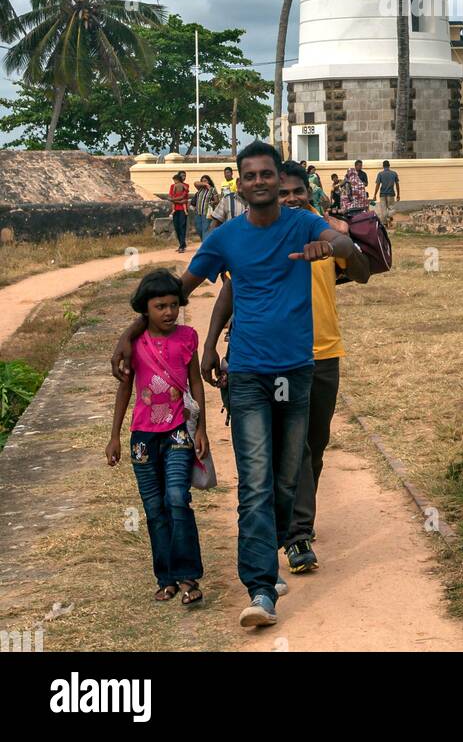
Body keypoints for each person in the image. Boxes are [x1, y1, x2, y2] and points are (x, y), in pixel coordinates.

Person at [111, 141, 356, 631]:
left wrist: (330, 245)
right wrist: (133, 329)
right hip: (246, 375)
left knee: (287, 477)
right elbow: (178, 293)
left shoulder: (303, 222)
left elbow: (346, 245)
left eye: (268, 174)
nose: (261, 182)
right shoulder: (225, 239)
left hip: (296, 373)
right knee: (257, 480)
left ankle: (277, 542)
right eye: (252, 176)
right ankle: (261, 589)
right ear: (240, 184)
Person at [203, 165, 370, 575]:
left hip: (323, 355)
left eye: (299, 191)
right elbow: (231, 290)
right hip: (272, 360)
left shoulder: (323, 235)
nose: (292, 198)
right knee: (287, 450)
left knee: (313, 446)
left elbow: (364, 273)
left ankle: (291, 516)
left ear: (309, 195)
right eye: (286, 192)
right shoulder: (265, 238)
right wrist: (209, 341)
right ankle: (297, 536)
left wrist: (343, 246)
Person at [105, 269, 207, 606]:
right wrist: (115, 436)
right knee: (153, 509)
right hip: (142, 438)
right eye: (160, 306)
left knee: (177, 498)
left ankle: (189, 576)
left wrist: (201, 427)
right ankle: (166, 578)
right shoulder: (134, 344)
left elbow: (195, 385)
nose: (168, 312)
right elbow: (124, 389)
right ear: (145, 309)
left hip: (178, 432)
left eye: (174, 305)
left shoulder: (187, 337)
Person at [191, 175, 219, 242]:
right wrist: (205, 184)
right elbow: (195, 183)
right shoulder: (200, 189)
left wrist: (213, 202)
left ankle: (204, 245)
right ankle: (205, 242)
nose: (204, 182)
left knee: (205, 229)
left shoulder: (212, 189)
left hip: (206, 213)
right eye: (202, 181)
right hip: (198, 212)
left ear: (209, 181)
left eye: (206, 180)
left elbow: (217, 201)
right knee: (199, 229)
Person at [373, 160, 400, 225]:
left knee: (383, 209)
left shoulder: (380, 174)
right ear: (389, 165)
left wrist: (375, 194)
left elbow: (378, 185)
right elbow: (397, 185)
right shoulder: (394, 173)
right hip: (391, 194)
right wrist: (398, 194)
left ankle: (385, 223)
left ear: (383, 166)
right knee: (391, 208)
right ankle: (389, 217)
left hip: (382, 194)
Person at [168, 172, 190, 252]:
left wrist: (174, 200)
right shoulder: (173, 186)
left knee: (182, 227)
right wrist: (179, 201)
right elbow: (170, 196)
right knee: (177, 227)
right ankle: (182, 244)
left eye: (185, 175)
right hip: (176, 209)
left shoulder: (186, 185)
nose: (184, 177)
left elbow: (184, 196)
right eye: (182, 175)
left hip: (182, 209)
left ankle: (182, 246)